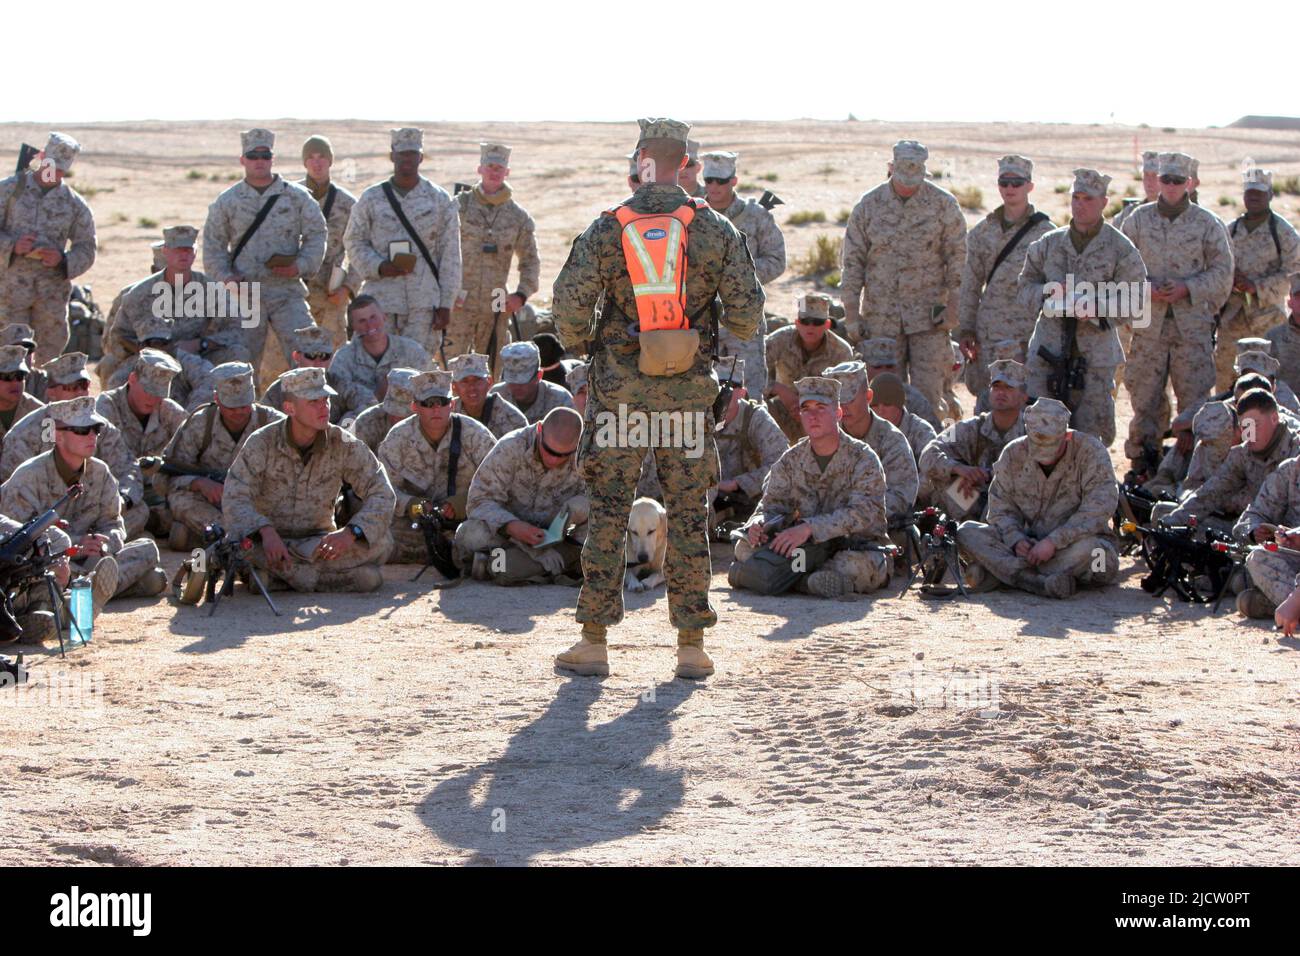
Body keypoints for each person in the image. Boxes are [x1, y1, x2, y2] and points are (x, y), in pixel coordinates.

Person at [550, 117, 764, 679]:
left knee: (609, 512)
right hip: (688, 398)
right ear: (686, 162)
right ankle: (691, 647)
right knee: (690, 516)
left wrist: (593, 346)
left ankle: (594, 644)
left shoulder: (608, 226)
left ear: (643, 157)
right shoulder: (715, 228)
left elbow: (569, 305)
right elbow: (746, 311)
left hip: (620, 398)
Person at [222, 366, 395, 592]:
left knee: (383, 543)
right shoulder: (262, 442)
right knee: (238, 547)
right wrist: (265, 530)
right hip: (266, 542)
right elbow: (234, 497)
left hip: (318, 544)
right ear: (289, 408)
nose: (324, 408)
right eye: (313, 402)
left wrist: (351, 532)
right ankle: (337, 579)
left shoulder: (342, 442)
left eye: (326, 400)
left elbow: (382, 492)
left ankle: (277, 578)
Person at [0, 396, 167, 620]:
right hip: (48, 565)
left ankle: (80, 596)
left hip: (92, 559)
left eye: (95, 429)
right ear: (58, 436)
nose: (91, 437)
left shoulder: (101, 472)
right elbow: (18, 542)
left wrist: (104, 542)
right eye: (82, 430)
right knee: (153, 579)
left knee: (147, 548)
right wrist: (77, 544)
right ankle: (88, 595)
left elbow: (114, 522)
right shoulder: (28, 476)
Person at [1121, 151, 1234, 471]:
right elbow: (1119, 270)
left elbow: (1223, 273)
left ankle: (1193, 471)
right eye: (1165, 179)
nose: (1170, 186)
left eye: (1178, 180)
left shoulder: (1207, 223)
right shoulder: (1137, 220)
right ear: (1157, 181)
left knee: (1196, 404)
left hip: (1192, 329)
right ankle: (1143, 468)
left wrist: (1188, 288)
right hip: (1147, 328)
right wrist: (1147, 290)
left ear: (1189, 183)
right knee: (1145, 401)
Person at [729, 376, 892, 597]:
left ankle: (793, 580)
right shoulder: (790, 459)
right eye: (806, 409)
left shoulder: (863, 458)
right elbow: (770, 506)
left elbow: (863, 513)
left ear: (838, 414)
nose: (813, 416)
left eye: (821, 408)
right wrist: (759, 526)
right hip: (806, 548)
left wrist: (809, 527)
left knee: (852, 567)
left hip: (855, 546)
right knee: (745, 547)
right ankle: (805, 580)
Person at [1020, 167, 1148, 447]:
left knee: (1091, 438)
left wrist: (1096, 306)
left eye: (1088, 198)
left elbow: (1138, 299)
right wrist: (1046, 293)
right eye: (1076, 197)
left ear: (1104, 201)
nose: (1080, 204)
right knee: (1041, 433)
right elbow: (1024, 288)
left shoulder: (1120, 248)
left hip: (1096, 359)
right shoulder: (1048, 244)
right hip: (1048, 355)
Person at [840, 139, 967, 414]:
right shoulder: (869, 205)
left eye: (915, 173)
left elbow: (958, 260)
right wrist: (851, 312)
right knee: (881, 397)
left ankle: (928, 453)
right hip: (881, 318)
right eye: (903, 172)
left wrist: (954, 307)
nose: (909, 181)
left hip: (930, 320)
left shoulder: (943, 205)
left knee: (929, 398)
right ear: (891, 167)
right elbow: (852, 263)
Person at [955, 397, 1120, 598]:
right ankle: (1037, 582)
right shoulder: (1013, 453)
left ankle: (1007, 573)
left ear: (1067, 436)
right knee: (967, 532)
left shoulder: (1091, 452)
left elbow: (1100, 509)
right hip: (1030, 547)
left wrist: (1053, 542)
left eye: (1051, 445)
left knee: (1094, 554)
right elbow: (1000, 507)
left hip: (1079, 548)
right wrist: (1016, 539)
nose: (1044, 454)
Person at [202, 128, 326, 382]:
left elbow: (317, 233)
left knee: (309, 356)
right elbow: (213, 246)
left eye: (265, 155)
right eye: (253, 155)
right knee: (239, 367)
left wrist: (300, 265)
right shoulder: (228, 201)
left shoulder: (295, 197)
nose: (259, 161)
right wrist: (226, 277)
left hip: (287, 291)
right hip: (245, 295)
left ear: (272, 158)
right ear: (242, 160)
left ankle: (311, 413)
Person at [343, 127, 461, 359]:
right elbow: (354, 241)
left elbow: (451, 255)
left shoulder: (439, 199)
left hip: (423, 303)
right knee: (375, 366)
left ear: (421, 157)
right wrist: (378, 266)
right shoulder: (371, 198)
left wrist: (446, 303)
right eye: (402, 153)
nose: (407, 159)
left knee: (416, 369)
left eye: (412, 153)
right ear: (392, 155)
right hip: (380, 302)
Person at [102, 224, 250, 386]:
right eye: (177, 249)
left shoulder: (210, 289)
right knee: (115, 375)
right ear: (165, 251)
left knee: (237, 353)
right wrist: (144, 350)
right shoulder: (139, 292)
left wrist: (202, 343)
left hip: (198, 356)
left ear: (195, 253)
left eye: (188, 250)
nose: (183, 255)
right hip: (149, 360)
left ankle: (229, 406)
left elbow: (237, 329)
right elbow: (117, 337)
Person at [455, 406, 587, 585]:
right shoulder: (511, 447)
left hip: (560, 537)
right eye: (549, 450)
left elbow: (603, 502)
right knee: (470, 534)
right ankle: (550, 564)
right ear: (539, 429)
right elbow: (478, 501)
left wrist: (576, 508)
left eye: (564, 455)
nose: (554, 460)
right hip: (508, 536)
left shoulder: (587, 455)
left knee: (601, 533)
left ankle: (501, 566)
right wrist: (512, 526)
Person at [160, 362, 284, 551]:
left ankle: (209, 540)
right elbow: (166, 478)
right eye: (231, 407)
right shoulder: (200, 423)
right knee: (180, 498)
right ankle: (234, 541)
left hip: (260, 502)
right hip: (214, 506)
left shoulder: (274, 423)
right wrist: (199, 483)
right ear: (217, 399)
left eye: (244, 405)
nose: (239, 412)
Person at [958, 154, 1054, 397]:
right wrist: (966, 330)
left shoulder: (1048, 234)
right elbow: (970, 284)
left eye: (1017, 183)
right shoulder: (982, 232)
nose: (1010, 188)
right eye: (1004, 182)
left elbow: (1055, 289)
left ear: (1029, 186)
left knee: (1028, 397)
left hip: (1029, 334)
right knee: (989, 396)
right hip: (989, 334)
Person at [379, 369, 496, 565]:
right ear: (415, 406)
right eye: (428, 403)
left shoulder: (476, 434)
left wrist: (462, 504)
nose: (436, 410)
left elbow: (498, 484)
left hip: (465, 521)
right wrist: (414, 506)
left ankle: (462, 555)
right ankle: (458, 557)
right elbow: (384, 490)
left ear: (452, 404)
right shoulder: (397, 438)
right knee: (381, 539)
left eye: (442, 402)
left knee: (478, 535)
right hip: (415, 524)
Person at [0, 133, 97, 364]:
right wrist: (12, 246)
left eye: (61, 170)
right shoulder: (9, 189)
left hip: (50, 299)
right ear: (42, 157)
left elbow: (87, 248)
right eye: (50, 166)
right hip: (8, 295)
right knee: (6, 363)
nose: (54, 173)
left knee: (47, 364)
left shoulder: (74, 204)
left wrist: (63, 260)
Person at [448, 143, 540, 370]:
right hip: (458, 299)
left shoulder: (518, 217)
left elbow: (530, 261)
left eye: (500, 167)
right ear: (479, 169)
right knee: (450, 363)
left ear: (507, 172)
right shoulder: (458, 207)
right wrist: (444, 293)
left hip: (497, 300)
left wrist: (521, 294)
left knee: (491, 367)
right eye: (489, 166)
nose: (494, 171)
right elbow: (439, 250)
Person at [701, 149, 786, 397]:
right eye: (709, 180)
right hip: (704, 323)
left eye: (722, 181)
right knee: (704, 396)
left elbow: (777, 259)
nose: (714, 187)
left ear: (734, 181)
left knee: (751, 395)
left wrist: (739, 276)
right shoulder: (692, 215)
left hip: (745, 323)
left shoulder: (756, 216)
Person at [1165, 388, 1297, 534]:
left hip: (1292, 542)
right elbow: (1211, 493)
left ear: (1274, 419)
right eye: (1244, 427)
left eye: (1255, 425)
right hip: (1258, 533)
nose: (1249, 435)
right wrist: (1168, 524)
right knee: (1169, 518)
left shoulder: (1295, 452)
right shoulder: (1243, 454)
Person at [1217, 168, 1300, 392]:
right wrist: (1231, 280)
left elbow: (1294, 274)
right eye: (1250, 192)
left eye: (1260, 193)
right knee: (1227, 381)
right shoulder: (1229, 231)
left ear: (1270, 195)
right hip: (1231, 322)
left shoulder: (1284, 233)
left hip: (1268, 323)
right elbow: (1216, 268)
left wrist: (1257, 286)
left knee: (1268, 384)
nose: (1253, 197)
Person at [919, 359, 1029, 519]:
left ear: (1023, 397)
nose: (1001, 393)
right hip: (977, 498)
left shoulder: (1033, 432)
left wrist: (987, 476)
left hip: (1018, 504)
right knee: (944, 485)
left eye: (1009, 388)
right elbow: (929, 454)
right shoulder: (972, 427)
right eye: (996, 387)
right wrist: (959, 469)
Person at [94, 349, 187, 535]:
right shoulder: (105, 407)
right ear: (132, 379)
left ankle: (154, 523)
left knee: (185, 506)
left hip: (155, 491)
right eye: (148, 391)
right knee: (133, 514)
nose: (153, 399)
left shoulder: (169, 411)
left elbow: (191, 450)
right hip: (115, 490)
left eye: (159, 393)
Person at [822, 359, 917, 527]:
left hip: (876, 534)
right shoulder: (824, 437)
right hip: (826, 528)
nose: (843, 408)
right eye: (836, 401)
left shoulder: (893, 442)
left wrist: (844, 515)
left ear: (868, 396)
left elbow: (900, 499)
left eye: (849, 399)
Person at [710, 358, 788, 527]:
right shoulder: (694, 415)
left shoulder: (755, 417)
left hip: (746, 502)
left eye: (727, 386)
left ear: (741, 392)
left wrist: (739, 483)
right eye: (715, 384)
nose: (719, 392)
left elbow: (783, 464)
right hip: (704, 499)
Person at [329, 295, 430, 425]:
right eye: (362, 321)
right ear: (353, 326)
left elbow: (432, 389)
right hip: (363, 421)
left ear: (384, 316)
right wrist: (376, 396)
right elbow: (335, 404)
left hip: (407, 419)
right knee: (347, 421)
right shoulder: (344, 358)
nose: (370, 325)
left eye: (373, 317)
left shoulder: (411, 350)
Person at [765, 293, 853, 441]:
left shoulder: (841, 352)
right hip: (785, 408)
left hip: (823, 414)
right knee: (758, 410)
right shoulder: (779, 340)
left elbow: (848, 393)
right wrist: (778, 389)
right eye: (805, 321)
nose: (810, 327)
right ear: (797, 323)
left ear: (827, 325)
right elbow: (752, 372)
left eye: (817, 322)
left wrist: (812, 406)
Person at [299, 135, 358, 348]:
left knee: (333, 361)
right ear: (304, 162)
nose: (317, 163)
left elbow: (359, 249)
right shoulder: (289, 197)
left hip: (330, 297)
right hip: (296, 296)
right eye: (311, 157)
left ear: (330, 161)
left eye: (322, 157)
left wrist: (348, 288)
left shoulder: (348, 204)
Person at [260, 325, 345, 423]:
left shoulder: (338, 383)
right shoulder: (280, 389)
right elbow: (262, 417)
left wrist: (340, 429)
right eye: (311, 355)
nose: (317, 362)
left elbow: (363, 403)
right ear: (296, 356)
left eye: (324, 356)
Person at [857, 336, 943, 429]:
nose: (884, 371)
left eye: (889, 366)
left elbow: (935, 433)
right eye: (877, 367)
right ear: (865, 368)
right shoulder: (854, 397)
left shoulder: (913, 398)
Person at [488, 340, 574, 424]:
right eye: (512, 380)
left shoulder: (561, 400)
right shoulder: (496, 397)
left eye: (523, 381)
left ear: (539, 375)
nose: (517, 386)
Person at [449, 351, 527, 438]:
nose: (471, 387)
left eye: (477, 380)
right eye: (464, 381)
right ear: (454, 387)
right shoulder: (446, 415)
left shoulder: (513, 419)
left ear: (489, 382)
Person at [349, 368, 417, 454]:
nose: (397, 418)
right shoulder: (367, 422)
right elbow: (351, 459)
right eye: (393, 411)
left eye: (404, 415)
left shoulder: (430, 421)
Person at [0, 344, 44, 452]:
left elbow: (49, 456)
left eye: (20, 376)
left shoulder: (41, 414)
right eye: (7, 377)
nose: (15, 383)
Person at [1264, 275, 1300, 391]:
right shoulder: (1273, 337)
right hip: (1284, 404)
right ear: (1290, 302)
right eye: (1299, 297)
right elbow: (1265, 379)